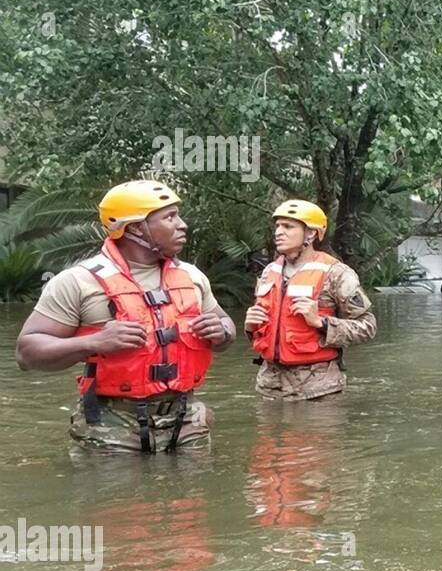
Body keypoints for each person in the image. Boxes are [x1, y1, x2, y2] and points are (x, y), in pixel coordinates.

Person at [15, 180, 237, 452]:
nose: (182, 224)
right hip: (111, 424)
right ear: (135, 228)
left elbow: (227, 327)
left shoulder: (191, 276)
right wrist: (93, 343)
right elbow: (26, 354)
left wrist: (222, 331)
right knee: (117, 495)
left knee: (191, 494)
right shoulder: (78, 281)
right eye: (169, 217)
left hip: (186, 419)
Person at [245, 200, 377, 400]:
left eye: (288, 226)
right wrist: (249, 327)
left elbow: (367, 327)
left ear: (311, 233)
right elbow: (265, 331)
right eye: (278, 226)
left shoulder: (336, 273)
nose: (278, 232)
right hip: (270, 387)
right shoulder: (268, 272)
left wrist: (321, 323)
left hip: (318, 390)